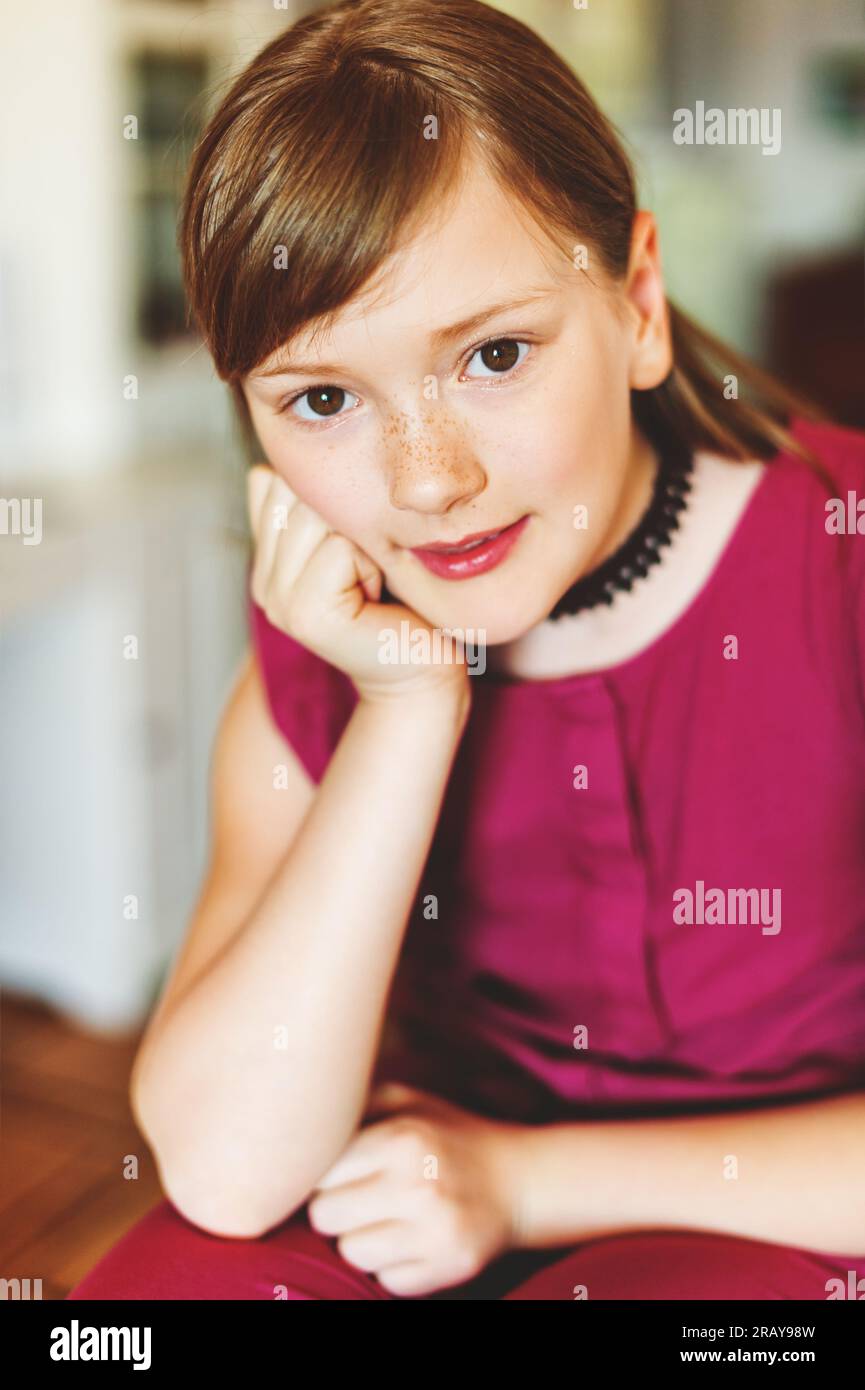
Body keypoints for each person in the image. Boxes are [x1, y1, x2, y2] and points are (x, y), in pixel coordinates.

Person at [68, 0, 865, 1301]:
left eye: (494, 354)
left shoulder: (843, 560)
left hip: (788, 1214)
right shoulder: (327, 635)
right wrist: (403, 703)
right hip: (400, 1198)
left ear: (638, 305)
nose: (426, 483)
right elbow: (224, 1166)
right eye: (322, 399)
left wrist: (521, 1180)